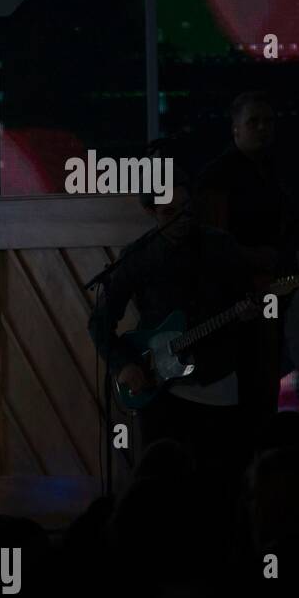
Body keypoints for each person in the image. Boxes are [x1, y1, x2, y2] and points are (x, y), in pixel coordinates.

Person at [89, 168, 263, 485]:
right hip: (159, 388)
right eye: (169, 211)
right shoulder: (137, 256)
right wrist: (123, 364)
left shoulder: (220, 246)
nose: (181, 219)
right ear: (151, 210)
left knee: (221, 484)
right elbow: (99, 322)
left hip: (217, 379)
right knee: (161, 486)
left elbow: (249, 301)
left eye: (186, 209)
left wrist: (252, 312)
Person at [196, 91, 299, 443]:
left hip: (276, 292)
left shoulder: (276, 172)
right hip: (235, 301)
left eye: (268, 121)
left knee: (266, 377)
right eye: (254, 121)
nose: (263, 128)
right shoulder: (218, 176)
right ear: (235, 129)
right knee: (248, 382)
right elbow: (212, 242)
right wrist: (255, 259)